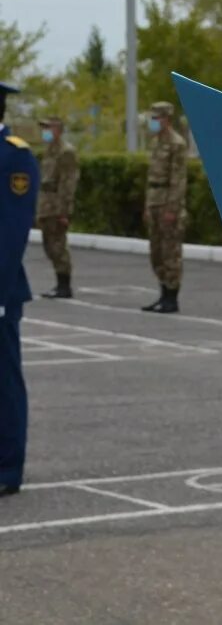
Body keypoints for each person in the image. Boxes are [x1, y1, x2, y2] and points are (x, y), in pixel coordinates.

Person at [1, 83, 39, 497]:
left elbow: (11, 233)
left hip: (2, 291)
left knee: (4, 383)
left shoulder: (14, 155)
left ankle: (8, 468)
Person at [141, 102, 187, 314]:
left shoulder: (176, 144)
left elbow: (178, 179)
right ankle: (162, 294)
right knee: (156, 252)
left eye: (156, 118)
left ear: (166, 119)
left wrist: (172, 208)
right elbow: (151, 179)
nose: (153, 122)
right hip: (154, 201)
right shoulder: (156, 143)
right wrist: (148, 206)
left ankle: (172, 298)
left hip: (168, 203)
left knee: (170, 252)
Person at [36, 117, 79, 299]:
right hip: (46, 204)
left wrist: (64, 211)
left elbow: (68, 183)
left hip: (57, 205)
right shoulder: (49, 151)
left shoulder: (65, 151)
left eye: (48, 127)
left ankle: (64, 285)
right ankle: (58, 282)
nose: (45, 131)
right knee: (49, 245)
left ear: (58, 129)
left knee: (58, 245)